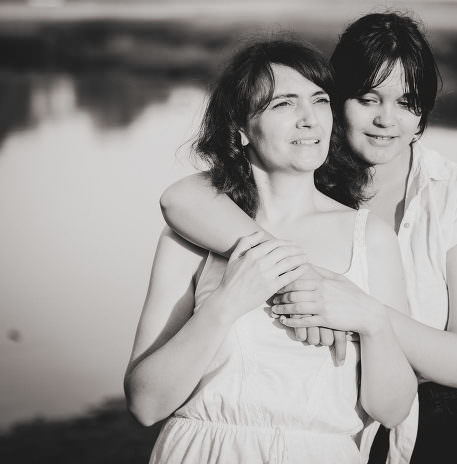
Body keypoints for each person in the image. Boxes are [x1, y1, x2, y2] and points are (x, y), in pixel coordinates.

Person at [160, 13, 457, 463]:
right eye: (369, 99)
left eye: (407, 103)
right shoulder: (301, 170)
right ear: (336, 97)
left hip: (451, 418)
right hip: (342, 418)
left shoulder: (453, 191)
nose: (388, 120)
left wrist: (360, 311)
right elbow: (181, 198)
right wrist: (298, 277)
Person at [124, 40, 416, 464]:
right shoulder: (190, 239)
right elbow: (145, 405)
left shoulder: (368, 237)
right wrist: (227, 303)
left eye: (320, 101)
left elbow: (393, 410)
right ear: (241, 127)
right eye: (284, 104)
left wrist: (373, 321)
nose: (309, 119)